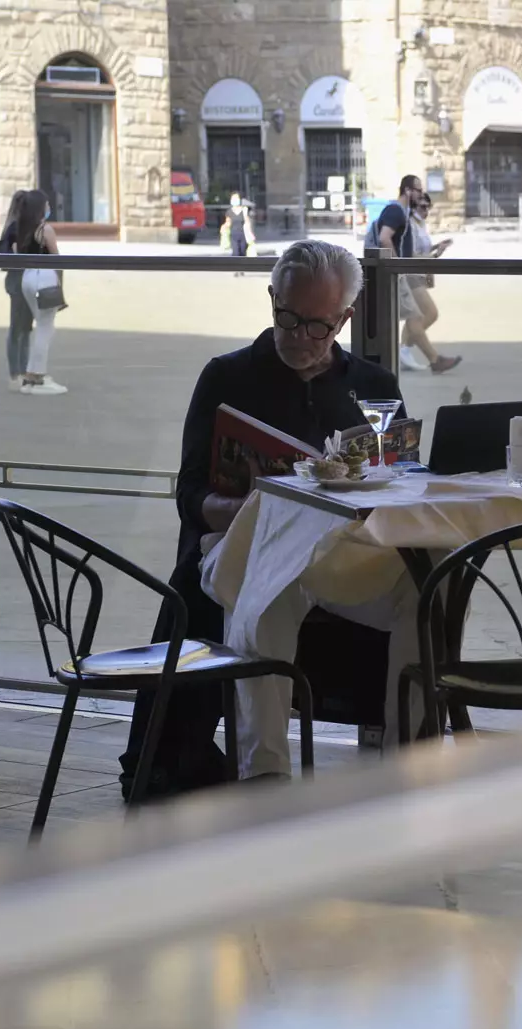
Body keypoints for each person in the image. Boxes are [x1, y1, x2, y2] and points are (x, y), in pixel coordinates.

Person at [119, 240, 406, 796]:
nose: (298, 337)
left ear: (344, 319)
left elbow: (399, 478)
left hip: (342, 556)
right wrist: (248, 505)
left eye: (317, 326)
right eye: (286, 317)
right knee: (269, 591)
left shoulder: (374, 389)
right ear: (272, 297)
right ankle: (266, 779)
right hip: (249, 552)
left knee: (426, 591)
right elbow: (191, 497)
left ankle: (413, 756)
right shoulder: (227, 377)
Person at [377, 174, 461, 374]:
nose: (421, 194)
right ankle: (430, 359)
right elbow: (383, 238)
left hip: (404, 270)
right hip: (401, 271)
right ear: (407, 190)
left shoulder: (401, 213)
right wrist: (396, 266)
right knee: (417, 315)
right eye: (417, 190)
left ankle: (423, 357)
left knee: (415, 316)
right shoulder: (395, 211)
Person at [5, 190, 67, 395]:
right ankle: (36, 376)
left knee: (42, 326)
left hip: (27, 279)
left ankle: (31, 373)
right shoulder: (45, 229)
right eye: (47, 204)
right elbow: (57, 258)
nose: (49, 207)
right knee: (45, 328)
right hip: (44, 277)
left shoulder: (22, 228)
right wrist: (60, 285)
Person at [398, 192, 454, 372]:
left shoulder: (421, 225)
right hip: (412, 273)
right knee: (428, 313)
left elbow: (422, 249)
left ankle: (405, 350)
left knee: (416, 316)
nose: (426, 210)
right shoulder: (411, 226)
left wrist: (436, 247)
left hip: (418, 273)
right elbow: (411, 253)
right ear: (414, 207)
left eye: (428, 206)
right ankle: (427, 356)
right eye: (422, 206)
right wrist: (435, 255)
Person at [0, 190, 33, 392]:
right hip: (19, 281)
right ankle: (16, 373)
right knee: (19, 329)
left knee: (23, 329)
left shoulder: (12, 225)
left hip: (18, 280)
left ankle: (22, 372)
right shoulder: (16, 227)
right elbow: (21, 255)